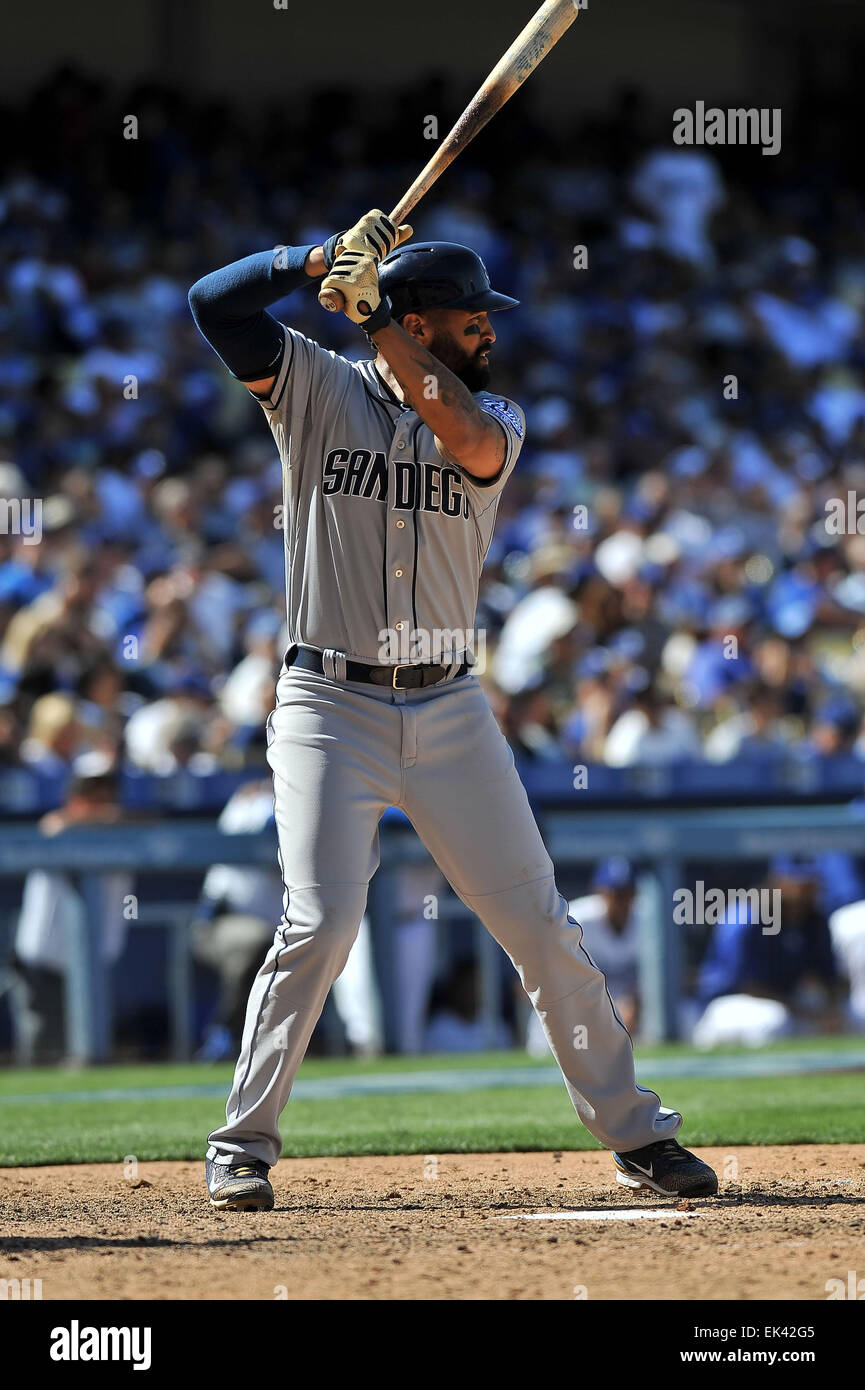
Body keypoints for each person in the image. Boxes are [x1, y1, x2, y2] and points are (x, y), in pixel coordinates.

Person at [188, 211, 717, 1210]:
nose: (488, 332)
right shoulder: (318, 386)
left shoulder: (496, 416)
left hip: (449, 708)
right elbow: (211, 304)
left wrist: (374, 314)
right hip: (325, 702)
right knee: (320, 919)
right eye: (471, 318)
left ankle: (636, 1135)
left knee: (537, 924)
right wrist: (307, 263)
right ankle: (242, 1142)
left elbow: (464, 439)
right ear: (428, 322)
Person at [693, 855, 844, 1048]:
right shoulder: (748, 915)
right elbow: (749, 986)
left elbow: (827, 976)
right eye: (797, 881)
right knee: (775, 1022)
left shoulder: (814, 919)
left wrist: (831, 1008)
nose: (805, 888)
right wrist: (806, 1014)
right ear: (777, 881)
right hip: (729, 1004)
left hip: (784, 1003)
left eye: (810, 882)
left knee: (847, 1017)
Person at [526, 857, 641, 1055]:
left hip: (630, 1011)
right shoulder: (575, 919)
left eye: (627, 893)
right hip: (576, 1007)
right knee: (544, 1024)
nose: (622, 901)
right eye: (616, 894)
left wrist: (635, 1003)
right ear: (601, 893)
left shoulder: (649, 918)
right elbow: (548, 977)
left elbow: (657, 981)